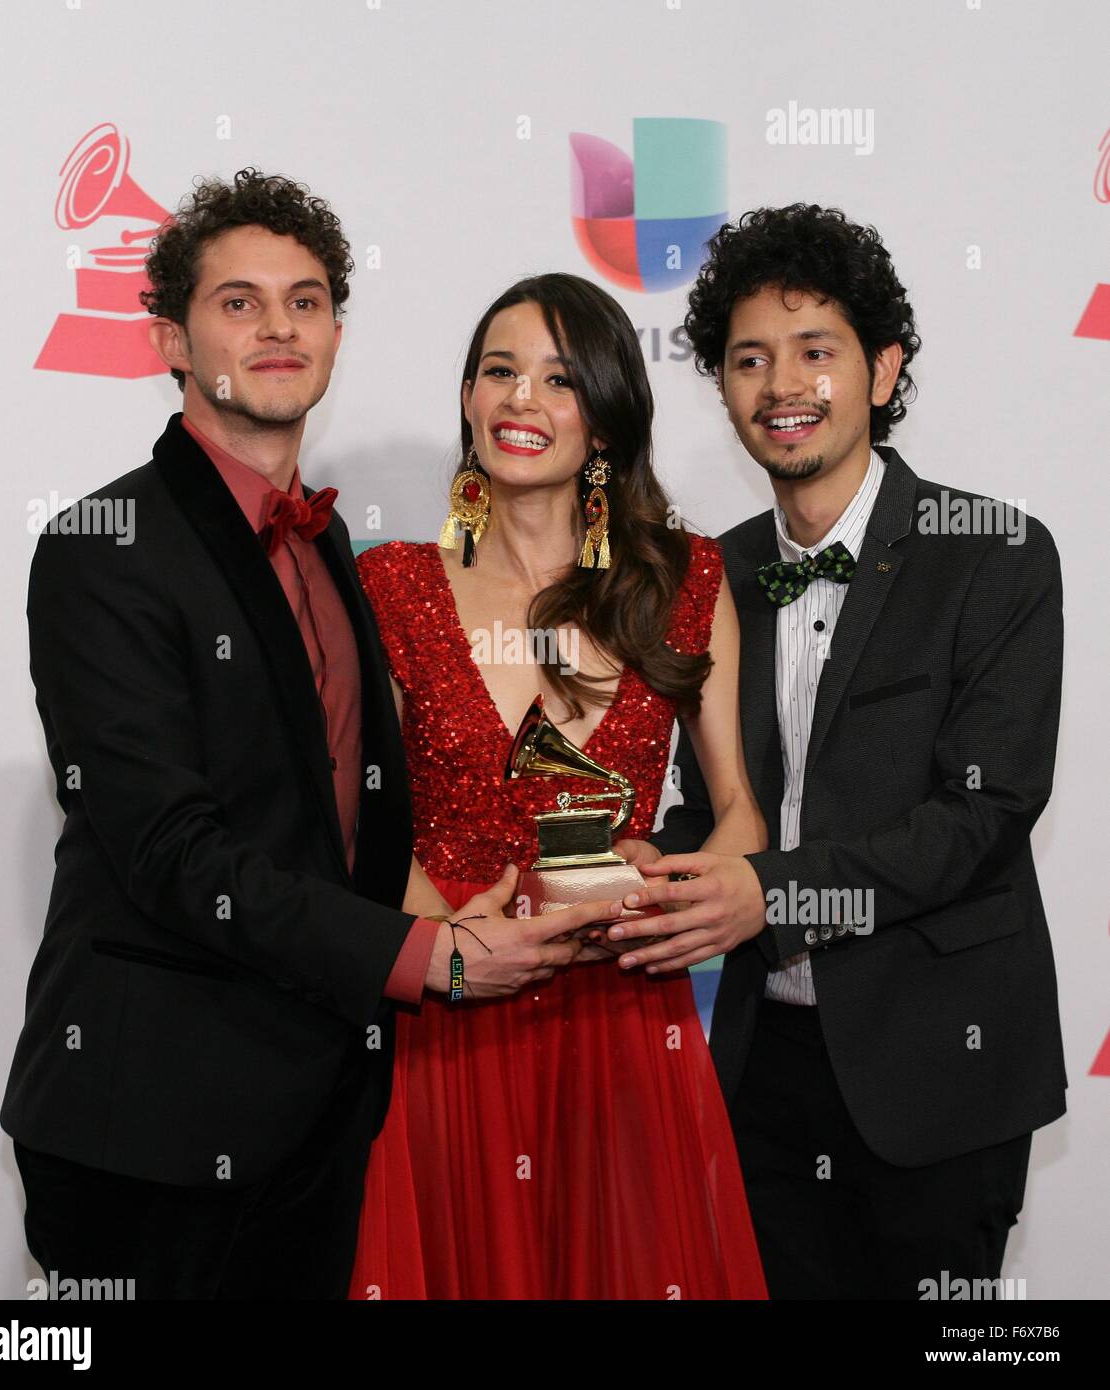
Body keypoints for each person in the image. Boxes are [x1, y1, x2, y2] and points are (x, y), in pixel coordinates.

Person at [0, 171, 613, 1300]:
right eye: (238, 302)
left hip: (326, 1113)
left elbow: (339, 820)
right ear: (170, 339)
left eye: (308, 298)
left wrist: (442, 910)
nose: (279, 325)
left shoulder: (332, 548)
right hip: (151, 1128)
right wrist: (431, 957)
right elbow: (172, 851)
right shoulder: (105, 544)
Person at [606, 204, 1067, 1299]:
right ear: (720, 385)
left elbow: (981, 816)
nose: (783, 386)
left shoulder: (995, 554)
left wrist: (764, 893)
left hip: (939, 1068)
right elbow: (710, 802)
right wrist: (628, 865)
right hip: (764, 1071)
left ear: (883, 366)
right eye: (751, 358)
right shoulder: (708, 576)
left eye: (817, 352)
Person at [349, 272, 769, 1299]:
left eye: (558, 378)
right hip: (444, 1022)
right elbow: (363, 820)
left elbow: (740, 815)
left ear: (609, 416)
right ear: (466, 398)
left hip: (618, 1028)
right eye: (499, 371)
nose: (520, 400)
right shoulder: (392, 583)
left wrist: (674, 893)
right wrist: (446, 949)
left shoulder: (685, 579)